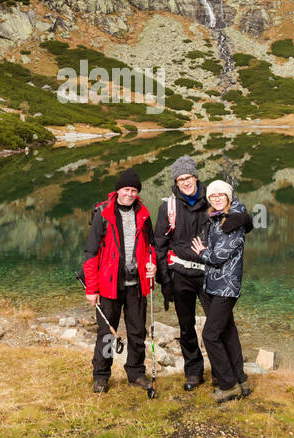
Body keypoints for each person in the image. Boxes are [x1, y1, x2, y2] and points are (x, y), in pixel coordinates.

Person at [82, 168, 157, 393]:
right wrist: (91, 288)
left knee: (137, 332)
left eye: (134, 190)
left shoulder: (143, 214)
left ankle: (136, 373)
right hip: (108, 286)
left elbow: (151, 246)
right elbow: (91, 253)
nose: (130, 194)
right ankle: (101, 375)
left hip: (137, 285)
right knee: (106, 332)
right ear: (118, 190)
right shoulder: (103, 214)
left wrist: (152, 264)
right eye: (126, 189)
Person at [191, 180, 251, 403]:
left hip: (226, 286)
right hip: (218, 285)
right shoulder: (220, 216)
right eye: (212, 195)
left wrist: (202, 253)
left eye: (220, 195)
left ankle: (228, 385)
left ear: (228, 196)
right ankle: (241, 380)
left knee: (210, 334)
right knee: (227, 331)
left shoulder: (231, 220)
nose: (216, 198)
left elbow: (219, 256)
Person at [153, 156, 210, 390]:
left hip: (209, 274)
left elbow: (236, 223)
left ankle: (223, 369)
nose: (185, 182)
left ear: (196, 177)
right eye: (180, 179)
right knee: (186, 326)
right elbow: (160, 245)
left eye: (188, 177)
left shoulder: (214, 200)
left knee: (218, 323)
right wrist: (165, 281)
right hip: (181, 275)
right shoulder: (168, 207)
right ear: (176, 182)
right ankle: (193, 371)